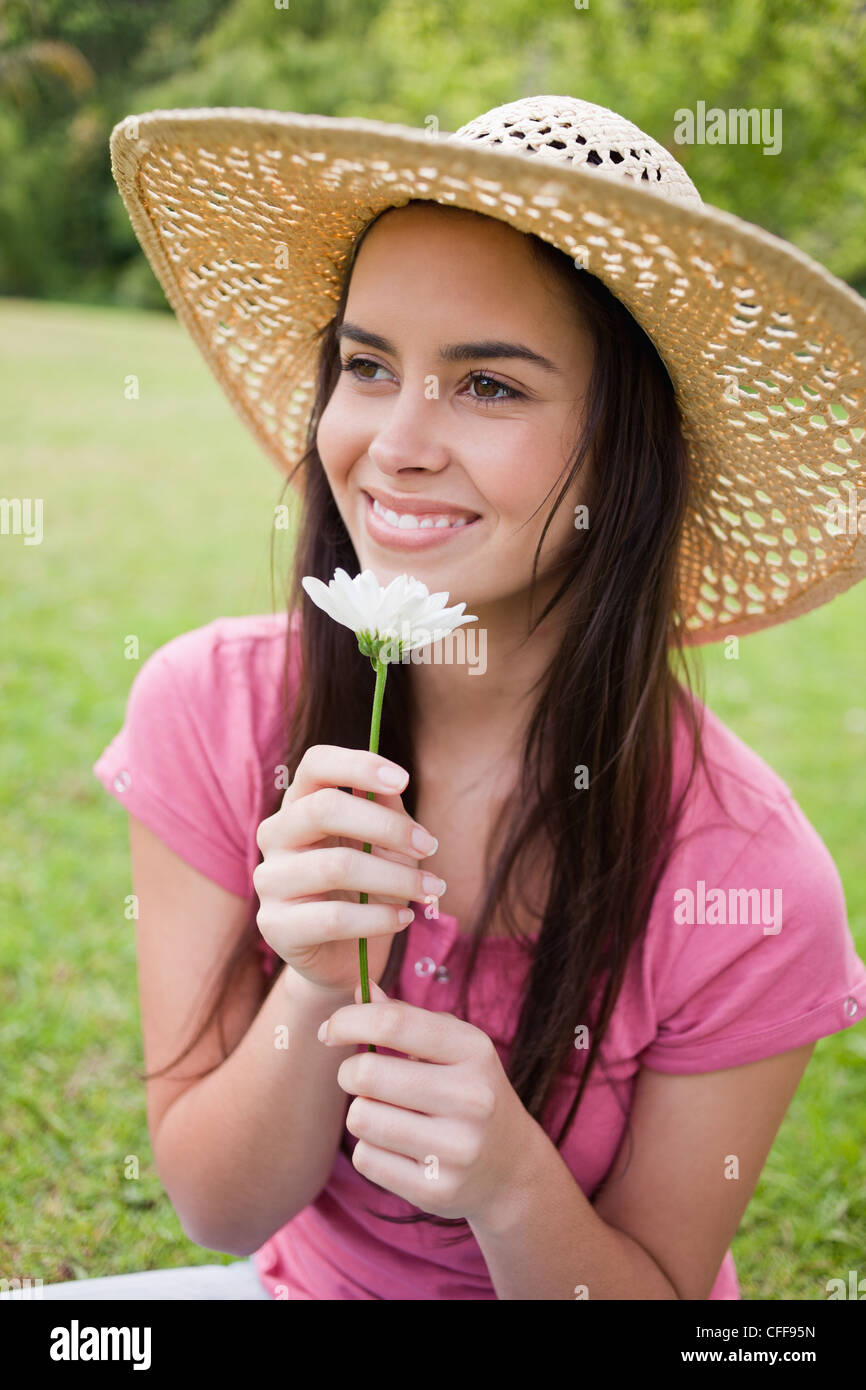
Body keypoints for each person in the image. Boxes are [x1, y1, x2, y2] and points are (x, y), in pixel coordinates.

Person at [50, 95, 866, 1299]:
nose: (395, 443)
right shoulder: (210, 711)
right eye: (366, 365)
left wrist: (509, 1183)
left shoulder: (745, 882)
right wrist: (320, 976)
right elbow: (219, 1208)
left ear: (624, 454)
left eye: (487, 385)